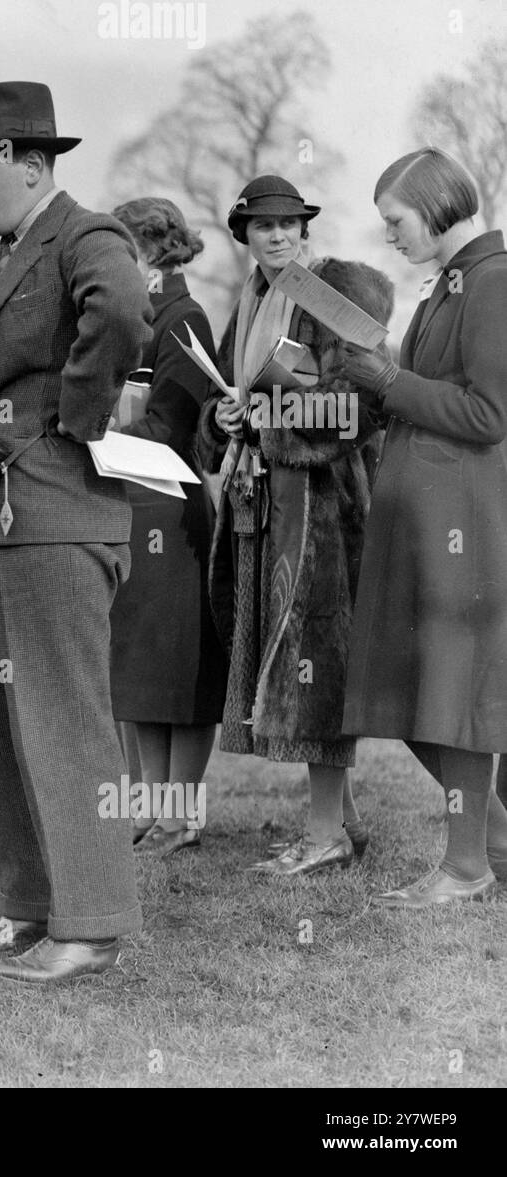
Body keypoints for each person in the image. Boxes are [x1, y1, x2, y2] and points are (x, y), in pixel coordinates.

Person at [0, 81, 152, 983]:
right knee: (2, 723)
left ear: (30, 163)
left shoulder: (86, 235)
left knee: (62, 722)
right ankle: (30, 910)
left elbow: (124, 310)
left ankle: (90, 925)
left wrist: (75, 413)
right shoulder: (15, 250)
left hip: (53, 515)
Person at [195, 176, 393, 876]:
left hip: (323, 512)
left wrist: (272, 421)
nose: (278, 236)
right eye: (263, 226)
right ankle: (338, 821)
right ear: (242, 234)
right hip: (261, 508)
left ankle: (326, 833)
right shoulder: (247, 301)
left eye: (290, 224)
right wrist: (221, 420)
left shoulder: (330, 292)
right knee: (282, 665)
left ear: (305, 229)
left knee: (317, 671)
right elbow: (230, 394)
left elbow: (361, 405)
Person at [341, 147, 507, 905]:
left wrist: (390, 380)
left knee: (451, 693)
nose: (390, 237)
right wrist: (367, 383)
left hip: (463, 525)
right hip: (429, 519)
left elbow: (488, 413)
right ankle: (488, 841)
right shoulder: (452, 283)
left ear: (438, 204)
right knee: (412, 689)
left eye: (395, 220)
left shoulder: (494, 281)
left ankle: (468, 863)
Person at [108, 198, 227, 856]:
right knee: (139, 673)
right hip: (128, 505)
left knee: (180, 675)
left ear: (151, 251)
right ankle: (150, 810)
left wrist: (93, 429)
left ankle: (181, 816)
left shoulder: (184, 319)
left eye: (121, 250)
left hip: (169, 510)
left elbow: (169, 428)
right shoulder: (137, 316)